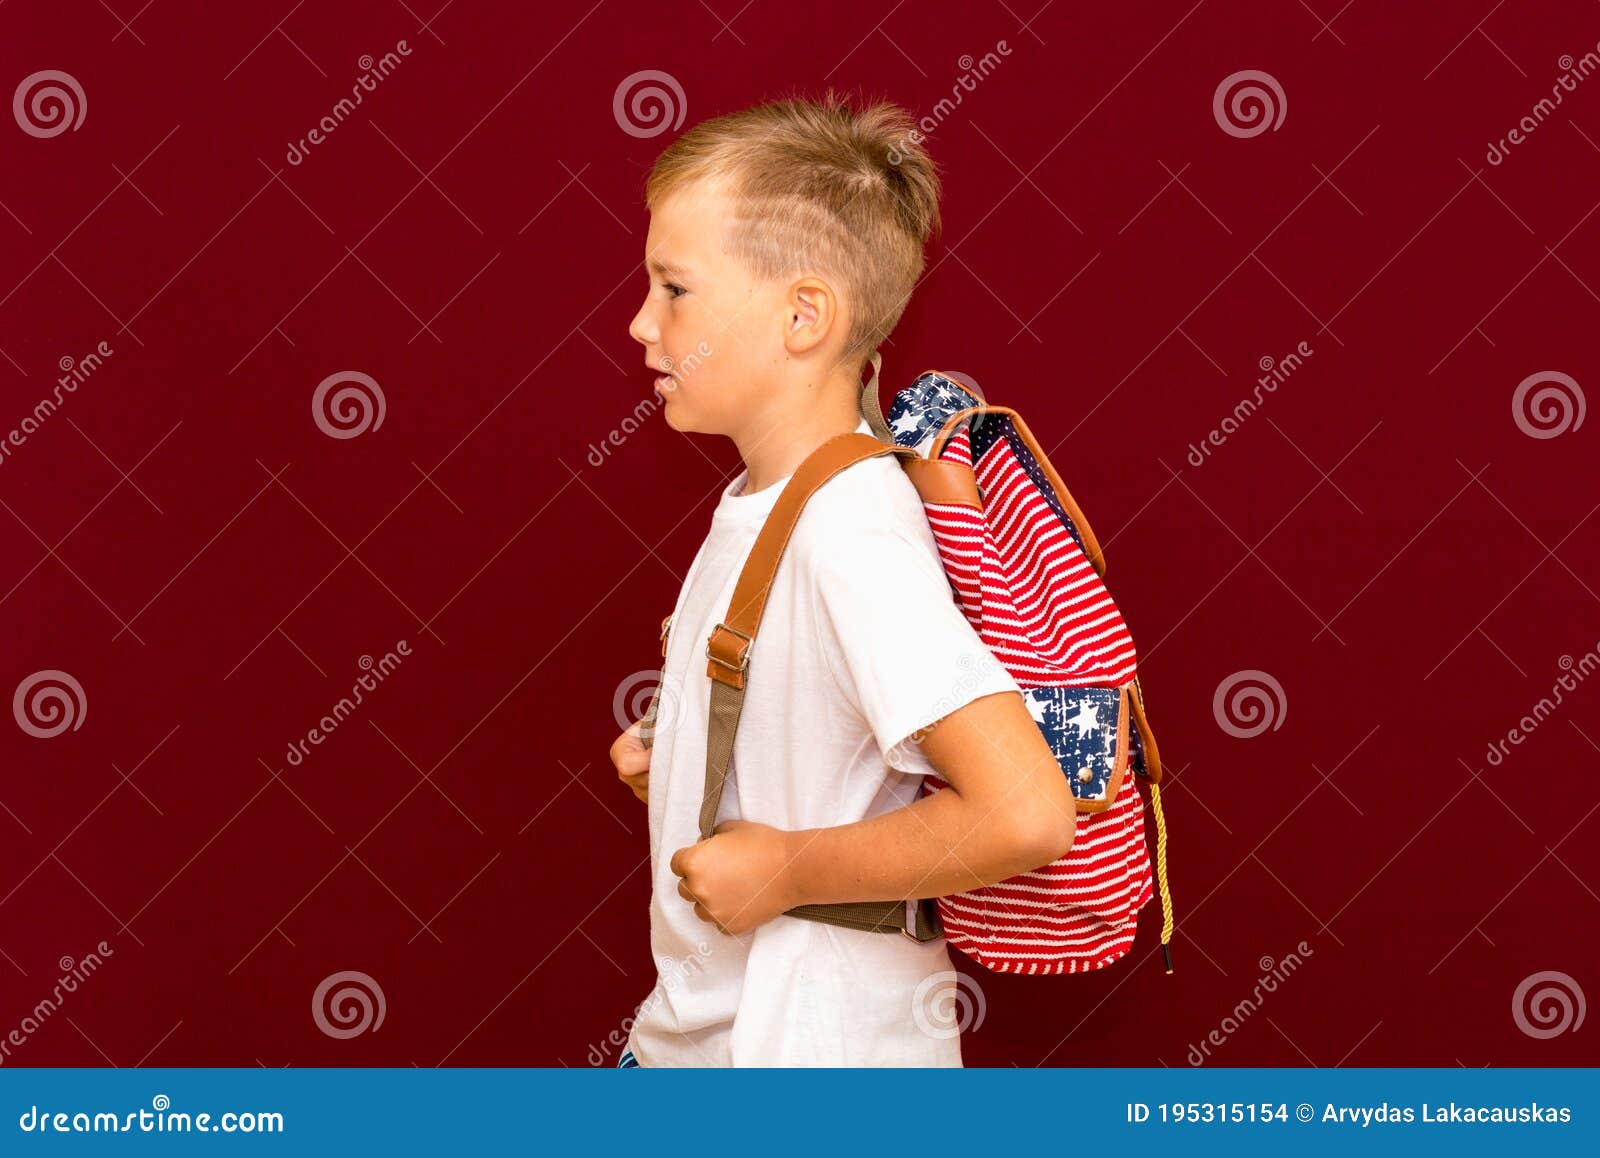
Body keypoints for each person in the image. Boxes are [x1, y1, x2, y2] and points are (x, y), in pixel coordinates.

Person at [608, 91, 1076, 1067]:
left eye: (675, 289)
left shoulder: (848, 531)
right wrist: (688, 750)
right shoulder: (769, 499)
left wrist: (785, 868)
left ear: (803, 315)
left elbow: (1023, 810)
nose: (640, 324)